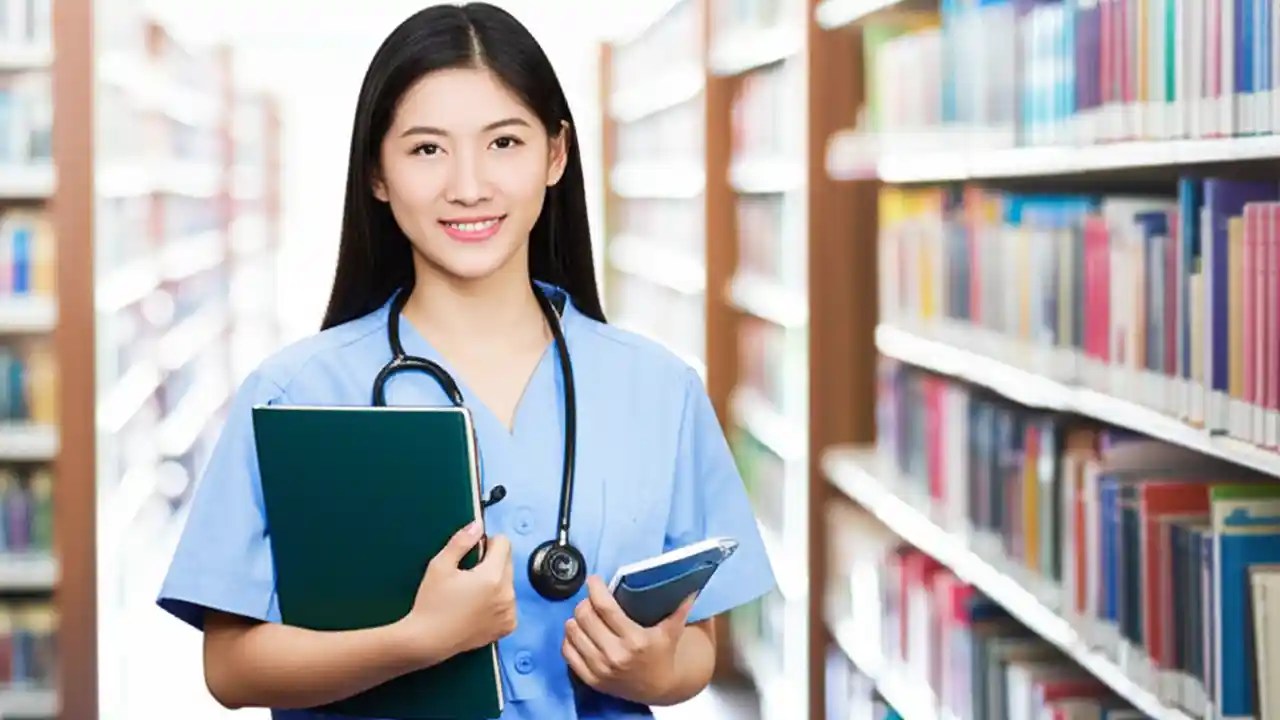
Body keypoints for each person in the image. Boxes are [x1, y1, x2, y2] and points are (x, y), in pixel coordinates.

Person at [155, 3, 777, 719]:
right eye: (427, 150)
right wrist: (415, 641)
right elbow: (232, 667)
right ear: (377, 175)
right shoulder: (297, 393)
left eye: (505, 142)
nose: (470, 185)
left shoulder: (658, 389)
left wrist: (651, 671)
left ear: (556, 154)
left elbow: (697, 647)